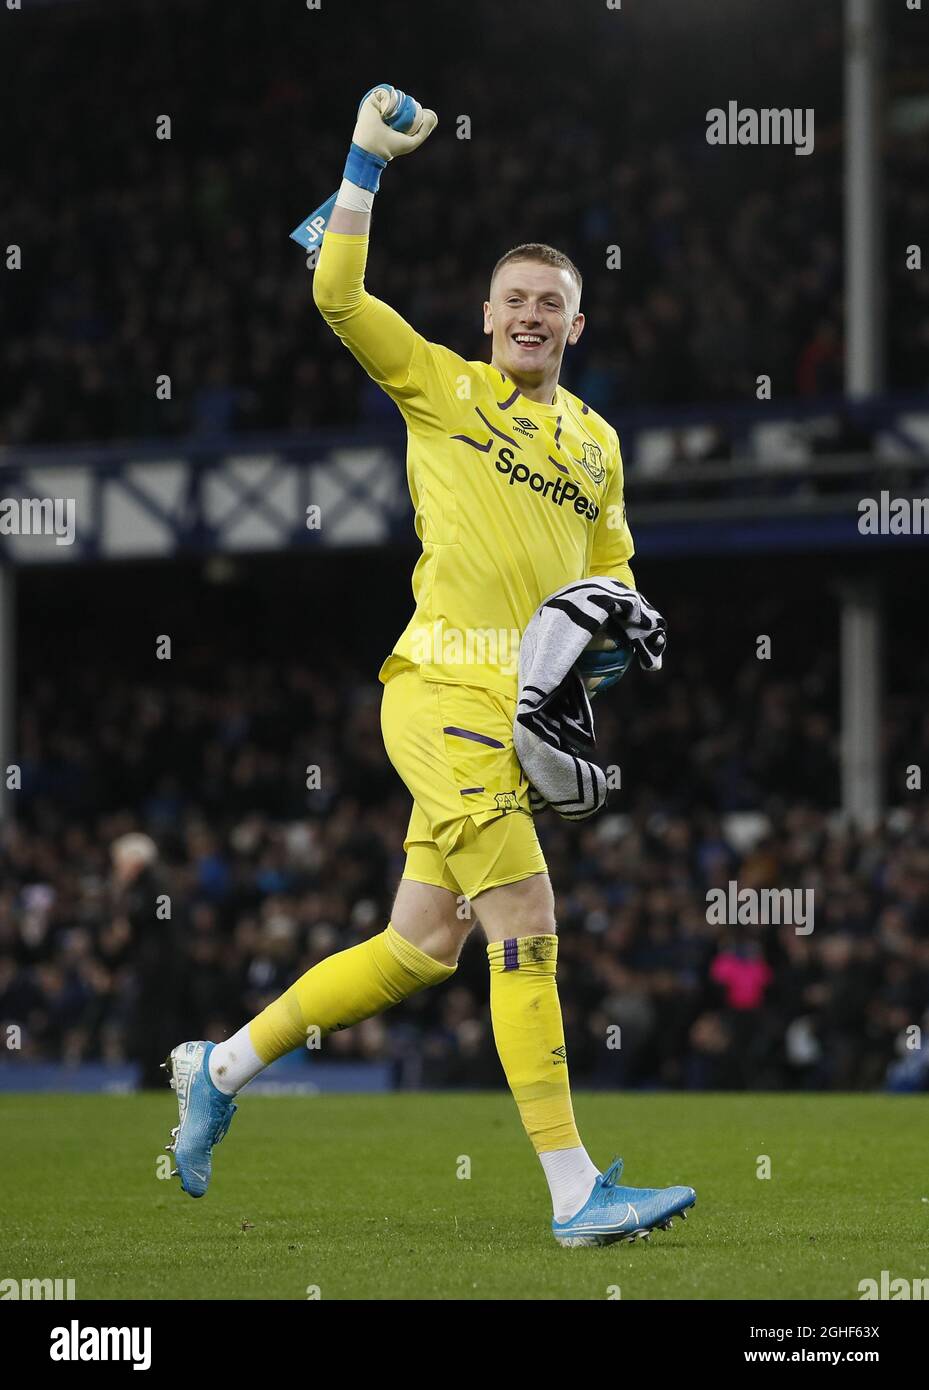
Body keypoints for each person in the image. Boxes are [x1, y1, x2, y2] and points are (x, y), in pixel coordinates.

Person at [165, 86, 695, 1245]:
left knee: (420, 948)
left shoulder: (596, 443)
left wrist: (612, 646)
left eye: (550, 304)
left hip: (517, 709)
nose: (529, 316)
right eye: (513, 299)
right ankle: (574, 1194)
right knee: (527, 914)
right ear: (486, 312)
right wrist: (363, 161)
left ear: (573, 325)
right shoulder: (441, 389)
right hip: (441, 691)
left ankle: (219, 1065)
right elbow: (335, 291)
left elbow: (613, 576)